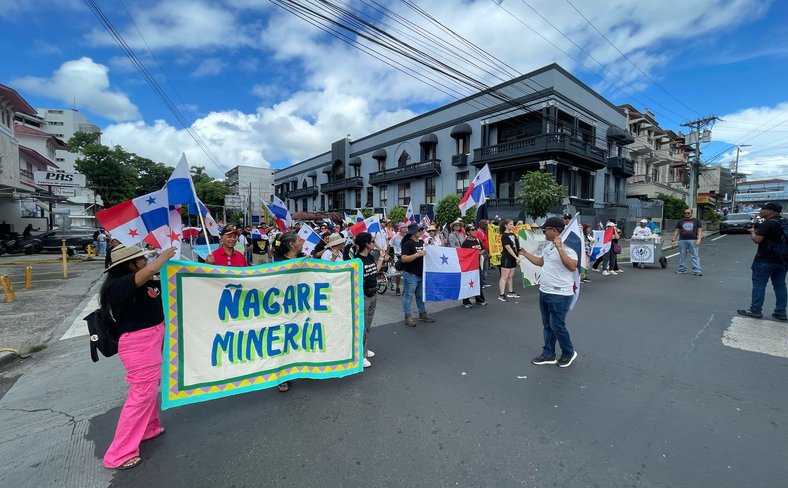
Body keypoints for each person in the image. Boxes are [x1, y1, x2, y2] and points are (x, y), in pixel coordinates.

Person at [101, 244, 177, 470]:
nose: (145, 261)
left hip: (152, 339)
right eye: (141, 258)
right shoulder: (119, 285)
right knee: (142, 395)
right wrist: (164, 256)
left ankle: (149, 428)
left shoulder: (145, 282)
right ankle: (118, 454)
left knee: (148, 390)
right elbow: (150, 270)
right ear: (129, 265)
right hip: (139, 344)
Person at [519, 217, 578, 368]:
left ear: (553, 230)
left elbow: (572, 266)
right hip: (544, 291)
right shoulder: (549, 246)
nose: (544, 232)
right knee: (547, 325)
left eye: (545, 230)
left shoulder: (569, 246)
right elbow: (541, 262)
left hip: (560, 294)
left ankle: (568, 352)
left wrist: (560, 248)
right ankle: (548, 354)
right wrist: (525, 254)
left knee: (557, 326)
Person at [738, 202, 787, 320]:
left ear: (772, 211)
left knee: (759, 284)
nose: (760, 211)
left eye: (763, 209)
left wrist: (752, 232)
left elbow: (757, 240)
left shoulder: (768, 223)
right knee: (780, 285)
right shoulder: (785, 222)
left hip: (765, 259)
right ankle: (780, 312)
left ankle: (755, 309)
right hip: (783, 260)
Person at [270, 231, 304, 392]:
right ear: (292, 244)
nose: (302, 242)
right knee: (283, 341)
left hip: (301, 306)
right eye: (299, 240)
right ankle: (282, 377)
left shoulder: (303, 259)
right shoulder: (278, 263)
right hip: (283, 309)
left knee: (300, 337)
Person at [354, 232, 387, 367]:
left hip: (373, 294)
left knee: (367, 324)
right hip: (363, 296)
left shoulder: (370, 257)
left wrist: (381, 258)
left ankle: (364, 349)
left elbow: (374, 272)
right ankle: (360, 355)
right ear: (367, 244)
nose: (374, 244)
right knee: (362, 326)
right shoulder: (357, 260)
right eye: (372, 242)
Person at [400, 223, 434, 326]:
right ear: (413, 232)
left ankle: (422, 313)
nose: (421, 232)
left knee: (420, 295)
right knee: (408, 296)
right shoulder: (408, 244)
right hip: (411, 274)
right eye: (419, 230)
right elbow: (404, 259)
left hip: (420, 273)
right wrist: (417, 254)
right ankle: (407, 316)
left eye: (421, 230)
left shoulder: (421, 242)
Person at [460, 225, 487, 308]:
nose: (475, 231)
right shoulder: (465, 243)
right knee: (467, 282)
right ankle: (466, 301)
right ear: (468, 232)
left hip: (477, 265)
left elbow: (483, 249)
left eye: (475, 229)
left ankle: (479, 299)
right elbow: (462, 254)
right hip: (469, 267)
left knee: (478, 282)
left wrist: (480, 253)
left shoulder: (477, 240)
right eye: (472, 230)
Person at [671, 208, 702, 276]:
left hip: (693, 240)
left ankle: (697, 270)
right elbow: (677, 231)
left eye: (688, 213)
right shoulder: (680, 221)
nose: (686, 214)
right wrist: (673, 240)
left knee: (694, 256)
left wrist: (699, 239)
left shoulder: (697, 221)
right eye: (685, 213)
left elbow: (699, 231)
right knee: (682, 255)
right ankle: (682, 269)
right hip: (682, 240)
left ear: (692, 213)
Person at [498, 219, 521, 302]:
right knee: (504, 277)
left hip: (513, 258)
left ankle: (510, 292)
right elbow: (508, 248)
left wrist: (518, 256)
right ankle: (501, 295)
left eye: (513, 224)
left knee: (510, 276)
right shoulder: (504, 236)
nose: (512, 226)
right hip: (507, 257)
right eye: (510, 224)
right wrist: (516, 257)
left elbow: (517, 246)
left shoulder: (513, 235)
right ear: (506, 225)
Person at [389, 224, 406, 296]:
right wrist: (390, 256)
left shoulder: (407, 237)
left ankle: (405, 289)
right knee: (398, 273)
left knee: (406, 273)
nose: (405, 229)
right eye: (403, 227)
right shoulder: (395, 237)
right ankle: (398, 287)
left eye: (406, 227)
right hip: (397, 257)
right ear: (400, 228)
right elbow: (389, 245)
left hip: (405, 256)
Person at [476, 219, 491, 288]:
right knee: (482, 268)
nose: (487, 226)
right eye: (485, 224)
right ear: (481, 225)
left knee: (485, 268)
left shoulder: (484, 232)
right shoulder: (479, 232)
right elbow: (480, 243)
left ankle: (483, 281)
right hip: (482, 252)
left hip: (485, 252)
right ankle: (481, 282)